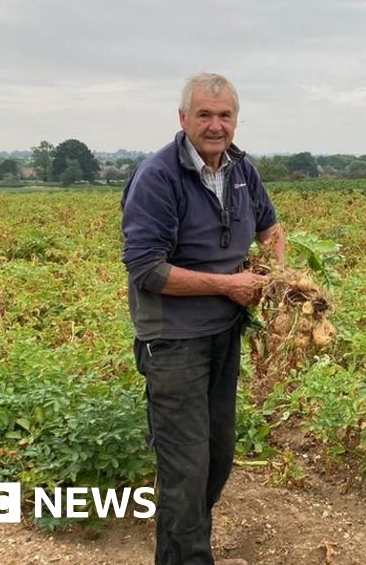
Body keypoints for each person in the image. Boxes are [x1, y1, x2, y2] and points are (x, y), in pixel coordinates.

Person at [121, 72, 284, 565]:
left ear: (236, 119)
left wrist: (273, 276)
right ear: (183, 119)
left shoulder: (240, 168)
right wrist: (227, 285)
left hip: (222, 334)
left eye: (225, 115)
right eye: (205, 115)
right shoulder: (159, 176)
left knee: (216, 456)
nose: (216, 125)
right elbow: (147, 269)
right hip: (172, 341)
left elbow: (270, 227)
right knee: (185, 467)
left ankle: (181, 551)